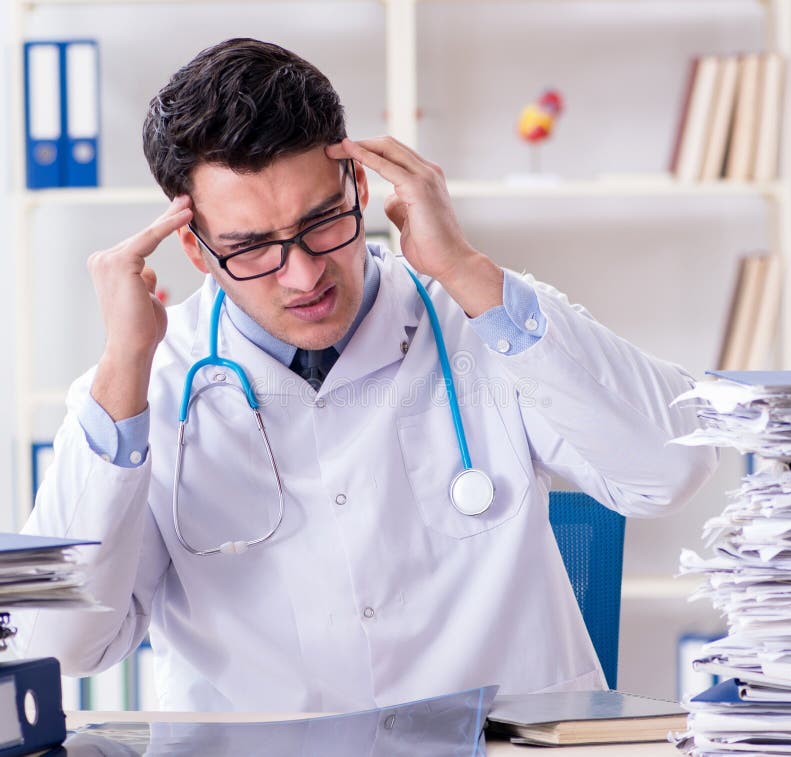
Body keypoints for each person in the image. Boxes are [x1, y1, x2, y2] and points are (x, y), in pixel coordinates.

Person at [19, 38, 717, 712]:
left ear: (359, 184)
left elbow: (669, 468)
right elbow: (65, 646)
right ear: (195, 251)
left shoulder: (480, 316)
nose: (303, 274)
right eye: (252, 247)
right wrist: (123, 368)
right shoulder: (147, 387)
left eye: (322, 222)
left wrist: (466, 269)